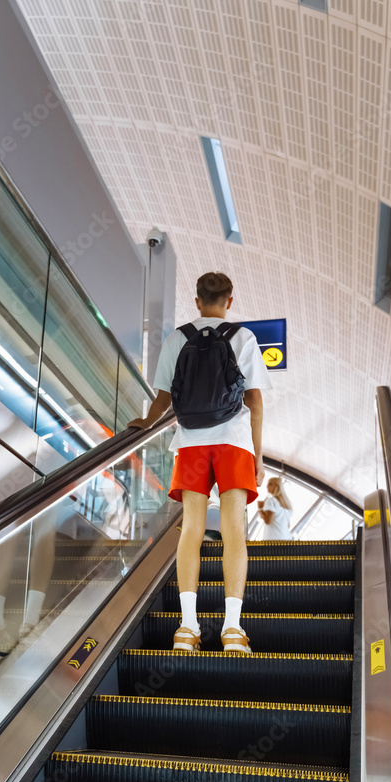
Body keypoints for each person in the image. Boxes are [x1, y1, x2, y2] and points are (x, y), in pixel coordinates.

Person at [127, 271, 271, 653]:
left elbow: (162, 400)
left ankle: (187, 629)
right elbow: (254, 402)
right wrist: (257, 456)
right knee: (233, 532)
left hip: (190, 443)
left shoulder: (179, 338)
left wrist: (145, 422)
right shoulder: (243, 337)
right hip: (234, 443)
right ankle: (232, 630)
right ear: (230, 299)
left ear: (197, 301)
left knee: (191, 529)